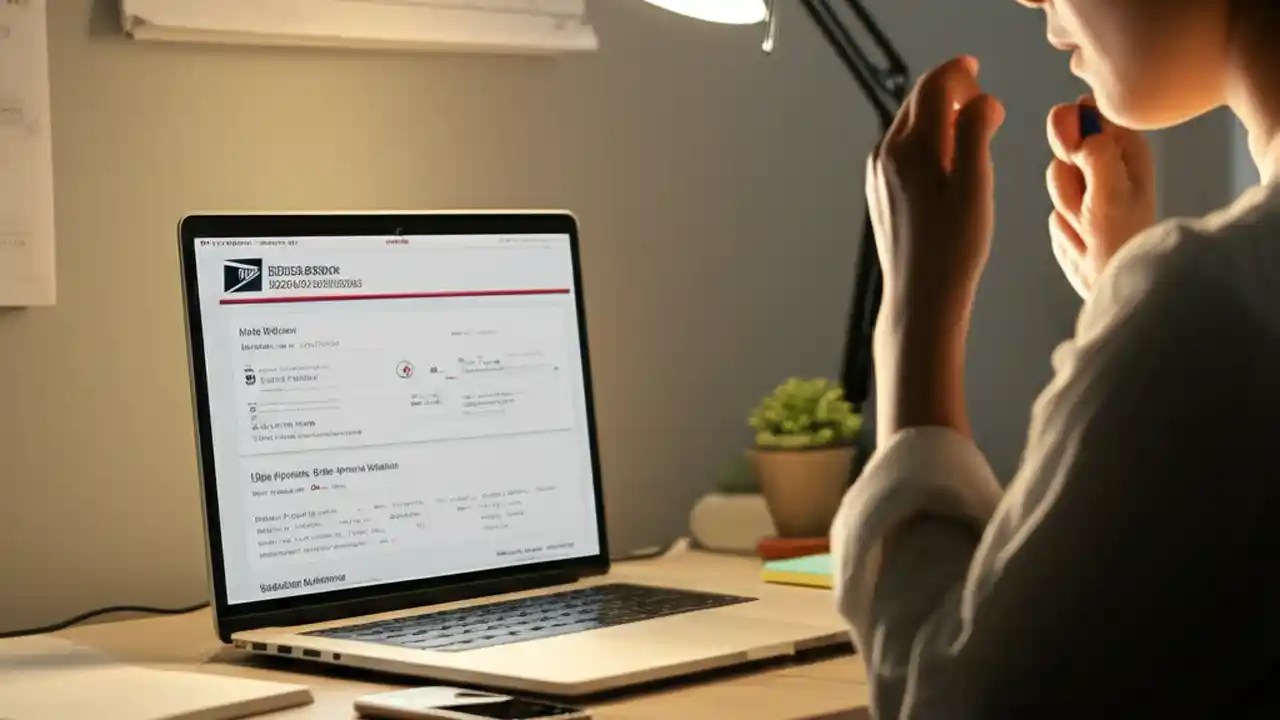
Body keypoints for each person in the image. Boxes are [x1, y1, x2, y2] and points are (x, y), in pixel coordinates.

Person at [830, 0, 1280, 716]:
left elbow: (945, 703)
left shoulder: (1216, 308)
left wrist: (914, 314)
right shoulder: (1222, 303)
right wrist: (1132, 306)